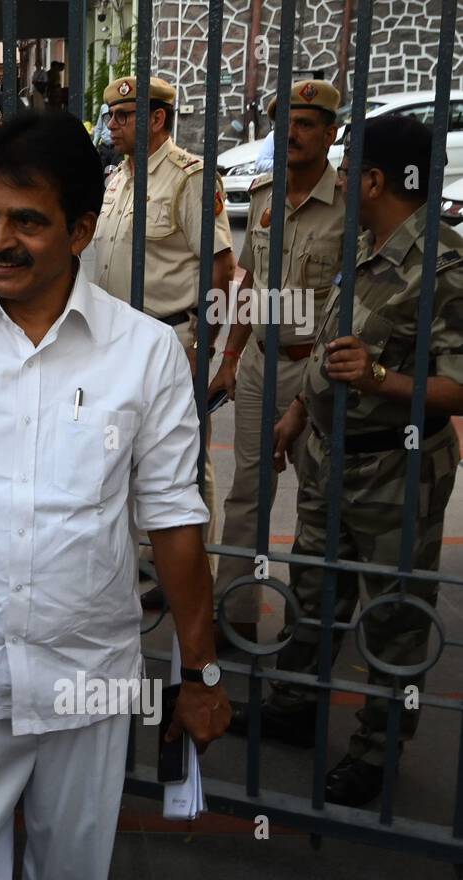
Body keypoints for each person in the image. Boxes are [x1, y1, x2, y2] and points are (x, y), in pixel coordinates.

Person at [0, 109, 229, 880]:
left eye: (28, 222)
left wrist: (202, 673)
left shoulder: (145, 353)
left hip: (85, 680)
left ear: (81, 231)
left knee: (73, 869)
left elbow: (174, 519)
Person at [231, 114, 463, 808]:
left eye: (348, 166)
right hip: (328, 458)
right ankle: (294, 707)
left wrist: (381, 381)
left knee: (392, 615)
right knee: (314, 592)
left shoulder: (444, 266)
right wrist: (300, 412)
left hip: (396, 471)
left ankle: (376, 752)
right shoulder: (365, 244)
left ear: (373, 179)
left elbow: (457, 385)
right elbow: (335, 340)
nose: (339, 178)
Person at [207, 80, 345, 651]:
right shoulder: (264, 196)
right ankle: (234, 616)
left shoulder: (350, 206)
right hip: (263, 362)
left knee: (319, 498)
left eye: (306, 123)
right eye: (283, 122)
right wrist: (232, 356)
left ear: (330, 133)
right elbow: (253, 287)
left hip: (319, 371)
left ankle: (310, 626)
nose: (290, 132)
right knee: (248, 491)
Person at [91, 76, 235, 608]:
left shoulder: (189, 178)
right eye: (111, 116)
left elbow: (221, 269)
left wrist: (204, 345)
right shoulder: (118, 178)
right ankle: (152, 565)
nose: (113, 125)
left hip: (172, 336)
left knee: (187, 462)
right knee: (123, 453)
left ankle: (201, 584)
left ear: (157, 119)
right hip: (114, 341)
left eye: (124, 115)